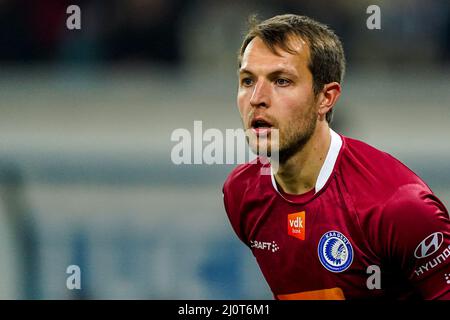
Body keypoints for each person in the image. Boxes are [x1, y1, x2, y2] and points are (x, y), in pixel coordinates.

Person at [222, 14, 450, 300]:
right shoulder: (241, 194)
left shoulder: (399, 206)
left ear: (326, 98)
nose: (257, 97)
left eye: (281, 81)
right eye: (247, 81)